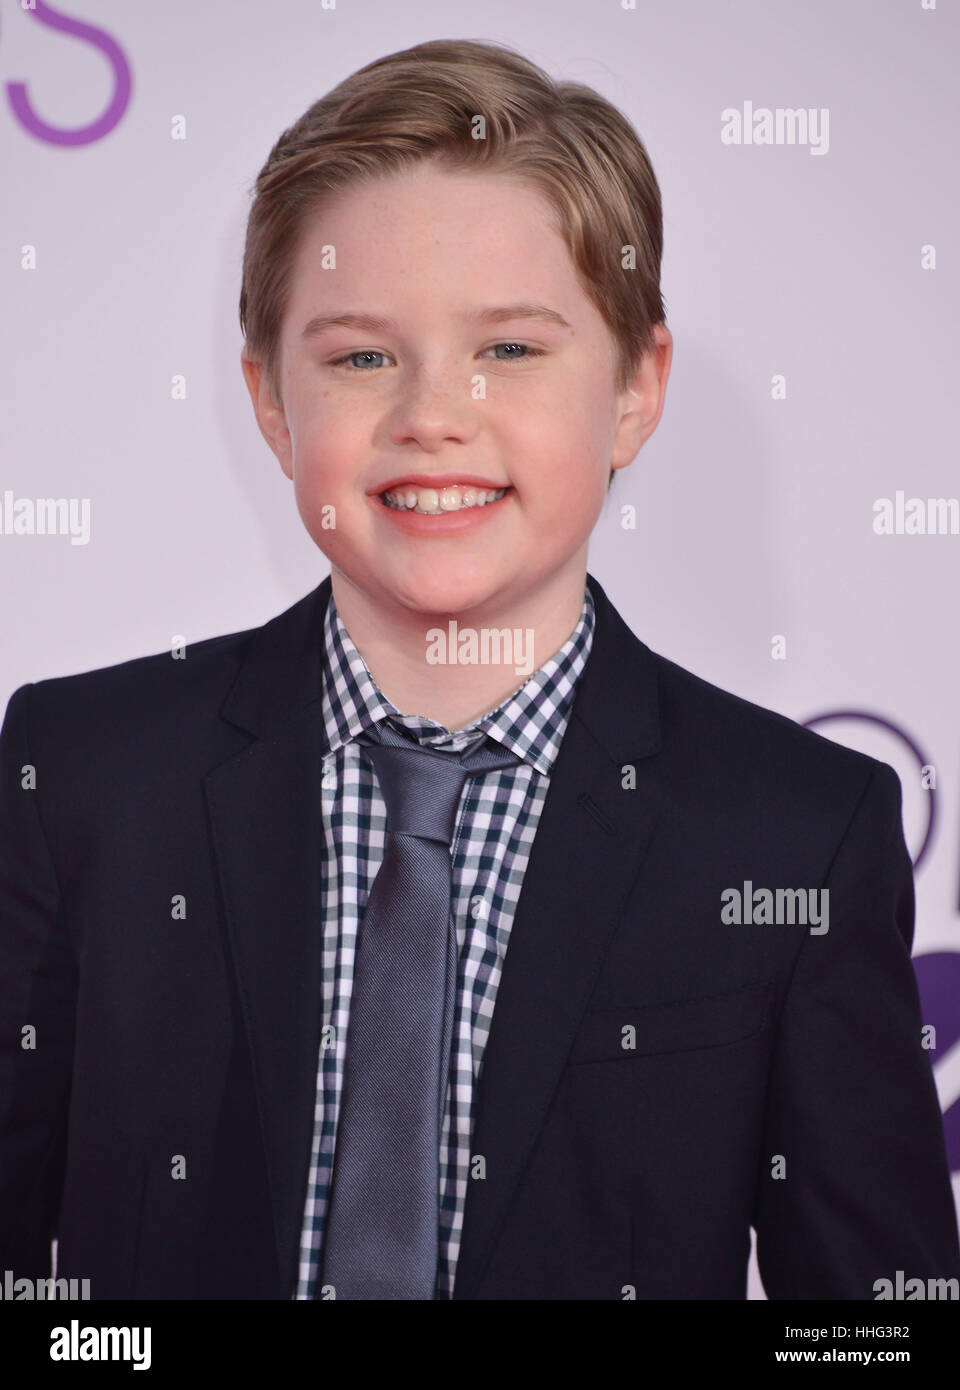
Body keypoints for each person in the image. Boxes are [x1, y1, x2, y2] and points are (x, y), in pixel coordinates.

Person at [1, 37, 957, 1301]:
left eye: (510, 349)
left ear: (634, 388)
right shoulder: (84, 773)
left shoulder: (793, 831)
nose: (432, 413)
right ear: (272, 404)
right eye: (358, 356)